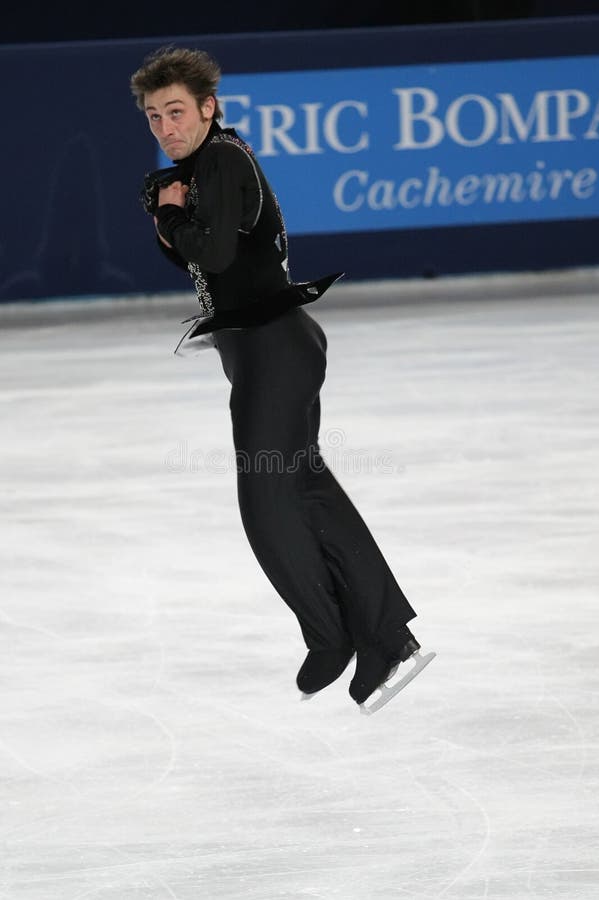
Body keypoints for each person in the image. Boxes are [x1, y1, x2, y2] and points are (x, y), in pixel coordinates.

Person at [129, 46, 434, 711]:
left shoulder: (224, 161)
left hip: (275, 348)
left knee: (267, 501)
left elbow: (211, 249)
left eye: (175, 111)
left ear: (208, 107)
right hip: (256, 350)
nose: (165, 127)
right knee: (302, 489)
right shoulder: (199, 169)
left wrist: (174, 216)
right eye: (153, 117)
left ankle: (333, 634)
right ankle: (382, 636)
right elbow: (207, 265)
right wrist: (167, 217)